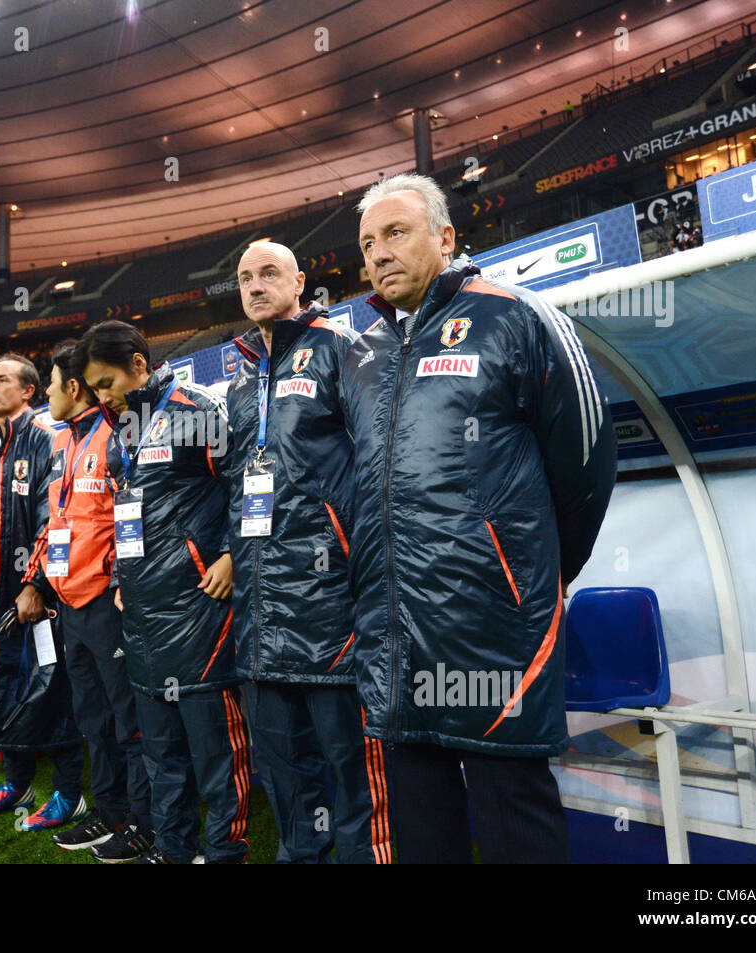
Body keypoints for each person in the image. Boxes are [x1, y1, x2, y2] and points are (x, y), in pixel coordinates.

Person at [341, 173, 617, 863]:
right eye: (368, 242)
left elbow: (586, 458)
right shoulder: (363, 355)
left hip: (495, 633)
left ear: (445, 237)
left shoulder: (516, 315)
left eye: (395, 233)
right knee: (423, 830)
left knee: (514, 823)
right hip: (397, 636)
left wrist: (533, 574)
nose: (379, 253)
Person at [222, 241, 386, 863]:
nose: (256, 285)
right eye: (245, 278)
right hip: (261, 616)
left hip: (332, 608)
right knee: (287, 777)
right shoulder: (238, 380)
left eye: (269, 274)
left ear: (300, 281)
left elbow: (379, 465)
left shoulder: (343, 348)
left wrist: (360, 576)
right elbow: (234, 489)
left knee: (353, 774)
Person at [79, 321, 251, 864]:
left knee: (216, 756)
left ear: (137, 363)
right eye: (94, 388)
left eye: (107, 383)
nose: (103, 396)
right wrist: (121, 579)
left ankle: (225, 854)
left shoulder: (194, 410)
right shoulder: (120, 432)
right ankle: (175, 852)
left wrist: (230, 554)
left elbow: (245, 478)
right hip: (143, 613)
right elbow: (125, 516)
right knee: (160, 755)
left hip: (198, 608)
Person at [0, 354, 85, 828]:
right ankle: (15, 782)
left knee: (49, 691)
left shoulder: (45, 442)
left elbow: (56, 520)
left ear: (30, 391)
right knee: (2, 688)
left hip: (34, 599)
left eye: (2, 380)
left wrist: (35, 584)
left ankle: (69, 792)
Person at [32, 342, 153, 858]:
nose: (48, 395)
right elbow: (56, 520)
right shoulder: (62, 443)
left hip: (107, 600)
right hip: (68, 603)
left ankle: (143, 822)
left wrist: (119, 579)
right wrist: (37, 580)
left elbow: (132, 516)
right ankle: (109, 811)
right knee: (92, 719)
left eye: (52, 385)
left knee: (128, 720)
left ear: (72, 388)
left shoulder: (117, 434)